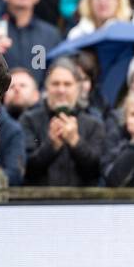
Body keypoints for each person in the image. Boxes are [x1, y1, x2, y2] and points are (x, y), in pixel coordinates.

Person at [20, 58, 106, 186]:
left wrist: (76, 142)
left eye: (67, 84)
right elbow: (25, 168)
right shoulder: (28, 120)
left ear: (77, 88)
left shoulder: (94, 125)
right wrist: (52, 145)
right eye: (55, 84)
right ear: (46, 87)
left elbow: (97, 171)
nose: (61, 90)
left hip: (82, 199)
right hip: (38, 198)